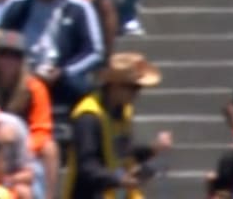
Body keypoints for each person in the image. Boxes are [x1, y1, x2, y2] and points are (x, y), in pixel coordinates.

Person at [62, 53, 171, 199]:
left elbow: (122, 152)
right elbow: (87, 167)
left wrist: (152, 149)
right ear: (115, 85)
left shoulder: (123, 112)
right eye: (133, 88)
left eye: (139, 88)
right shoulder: (88, 117)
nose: (137, 93)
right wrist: (119, 180)